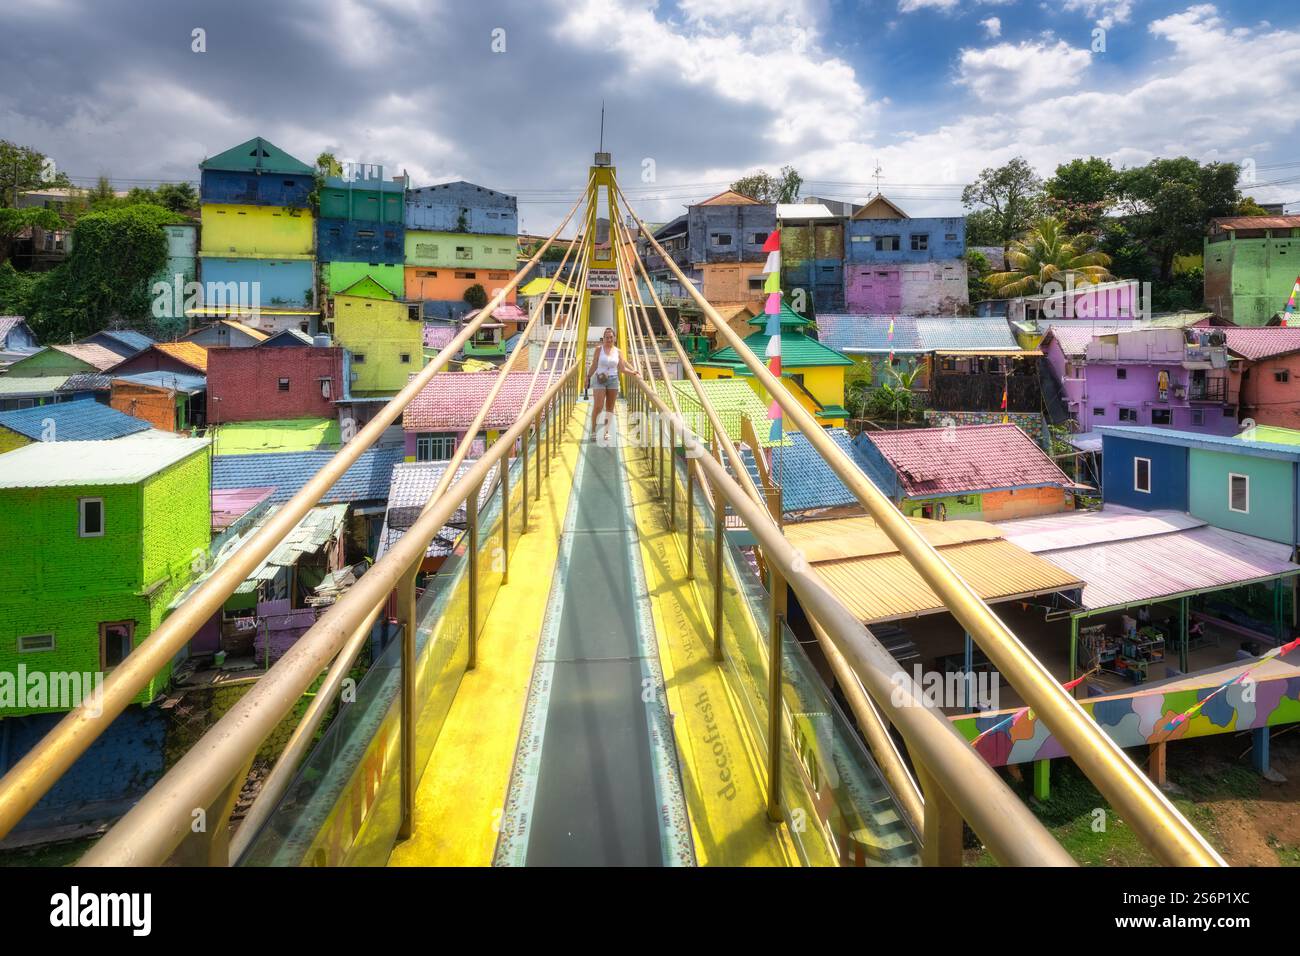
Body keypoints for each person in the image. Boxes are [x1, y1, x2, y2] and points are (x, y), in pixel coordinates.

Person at [585, 327, 638, 442]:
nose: (608, 339)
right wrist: (588, 377)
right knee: (598, 406)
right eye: (606, 337)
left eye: (611, 337)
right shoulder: (599, 349)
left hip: (613, 380)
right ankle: (593, 430)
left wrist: (634, 373)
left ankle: (606, 431)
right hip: (599, 379)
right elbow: (594, 365)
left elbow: (622, 369)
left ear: (614, 338)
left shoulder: (619, 352)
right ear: (603, 339)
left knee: (610, 408)